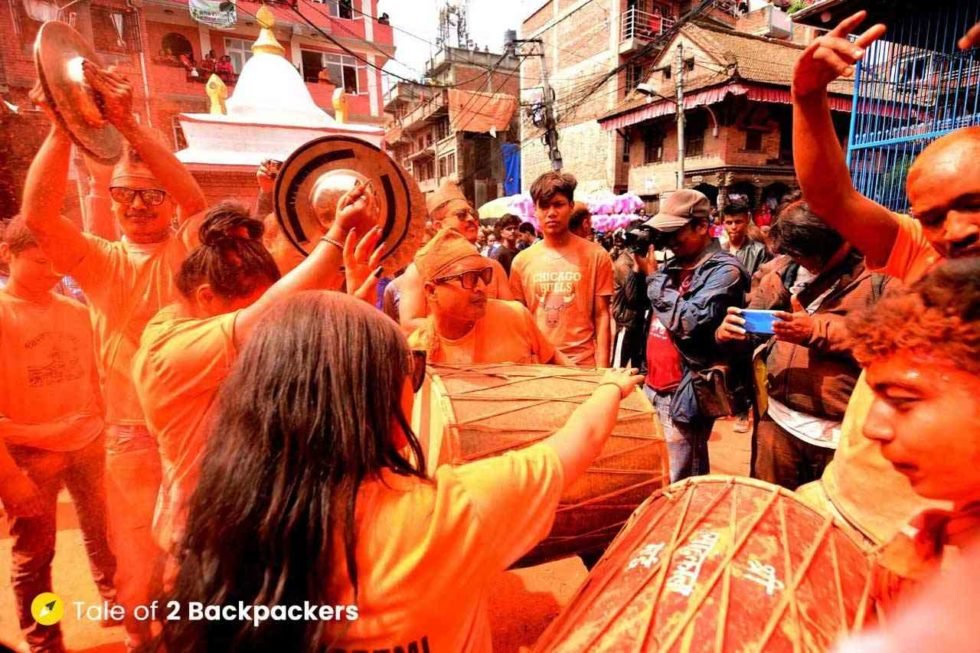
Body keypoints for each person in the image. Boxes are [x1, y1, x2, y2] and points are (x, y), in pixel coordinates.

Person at [159, 291, 644, 652]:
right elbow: (575, 444)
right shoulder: (448, 516)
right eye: (408, 373)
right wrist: (611, 387)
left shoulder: (215, 517)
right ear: (373, 400)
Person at [22, 62, 208, 650]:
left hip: (192, 429)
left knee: (194, 555)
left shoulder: (187, 251)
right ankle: (139, 641)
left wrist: (130, 126)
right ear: (112, 200)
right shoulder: (100, 262)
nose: (139, 205)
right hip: (127, 434)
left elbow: (195, 197)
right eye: (126, 195)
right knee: (133, 567)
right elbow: (39, 218)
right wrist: (60, 128)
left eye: (152, 194)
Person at [791, 10, 980, 576]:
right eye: (933, 217)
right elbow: (833, 197)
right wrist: (806, 96)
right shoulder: (928, 254)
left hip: (931, 559)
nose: (956, 231)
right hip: (841, 514)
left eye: (974, 203)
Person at [134, 196, 381, 561]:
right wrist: (338, 232)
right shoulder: (168, 349)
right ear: (207, 297)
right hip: (202, 539)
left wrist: (354, 299)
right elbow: (267, 315)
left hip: (253, 523)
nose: (271, 326)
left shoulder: (209, 328)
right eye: (254, 305)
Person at [0, 216, 118, 653]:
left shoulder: (75, 312)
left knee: (104, 533)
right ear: (6, 255)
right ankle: (45, 638)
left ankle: (114, 600)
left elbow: (94, 379)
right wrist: (9, 477)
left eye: (55, 263)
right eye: (37, 261)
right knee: (36, 556)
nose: (50, 272)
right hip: (29, 453)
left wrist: (101, 428)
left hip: (88, 442)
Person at [716, 201, 888, 490]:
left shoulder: (879, 276)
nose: (802, 262)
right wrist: (729, 332)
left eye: (807, 256)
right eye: (794, 254)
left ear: (840, 242)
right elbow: (753, 327)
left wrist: (814, 330)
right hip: (778, 423)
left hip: (841, 436)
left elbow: (891, 342)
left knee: (828, 523)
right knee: (770, 513)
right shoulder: (781, 271)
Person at [623, 190, 749, 481]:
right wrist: (637, 267)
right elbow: (630, 306)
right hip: (652, 384)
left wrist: (654, 278)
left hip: (684, 391)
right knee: (657, 469)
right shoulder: (672, 265)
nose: (669, 241)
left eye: (675, 232)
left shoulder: (725, 271)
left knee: (679, 477)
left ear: (702, 227)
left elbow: (690, 322)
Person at [408, 228, 570, 365]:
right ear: (431, 291)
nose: (481, 287)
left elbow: (555, 359)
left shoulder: (514, 316)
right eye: (468, 278)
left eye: (483, 275)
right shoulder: (420, 351)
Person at [509, 172, 614, 368]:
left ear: (571, 207)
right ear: (535, 210)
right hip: (539, 365)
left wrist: (602, 370)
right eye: (544, 206)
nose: (551, 213)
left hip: (583, 364)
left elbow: (602, 315)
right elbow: (519, 321)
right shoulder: (521, 262)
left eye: (558, 204)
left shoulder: (597, 256)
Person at [397, 180, 511, 332]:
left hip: (491, 354)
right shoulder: (418, 271)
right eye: (461, 215)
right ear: (439, 226)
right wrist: (459, 330)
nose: (471, 219)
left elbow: (511, 314)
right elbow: (410, 323)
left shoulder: (493, 267)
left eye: (473, 214)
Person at [721, 200, 771, 279]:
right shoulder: (718, 251)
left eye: (738, 222)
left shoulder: (759, 251)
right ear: (724, 224)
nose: (733, 227)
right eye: (729, 223)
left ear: (747, 221)